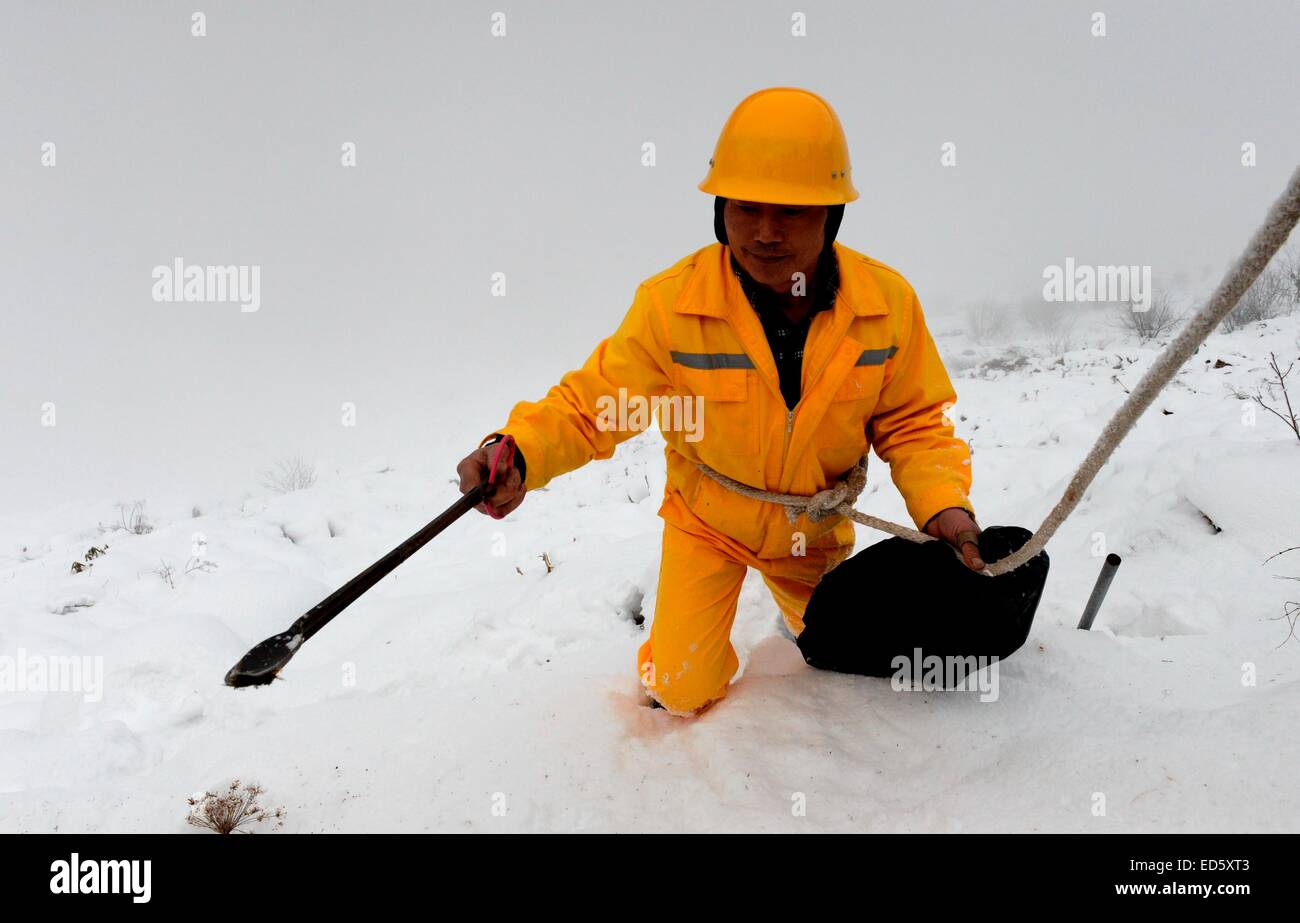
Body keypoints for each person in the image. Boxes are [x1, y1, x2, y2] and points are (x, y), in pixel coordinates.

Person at [456, 87, 982, 716]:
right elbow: (593, 404)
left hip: (809, 530)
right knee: (682, 691)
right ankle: (673, 658)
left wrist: (944, 506)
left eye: (790, 211)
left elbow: (916, 422)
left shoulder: (886, 305)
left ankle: (796, 627)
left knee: (837, 657)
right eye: (746, 207)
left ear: (831, 213)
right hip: (706, 523)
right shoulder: (673, 305)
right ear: (720, 209)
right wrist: (518, 452)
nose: (764, 232)